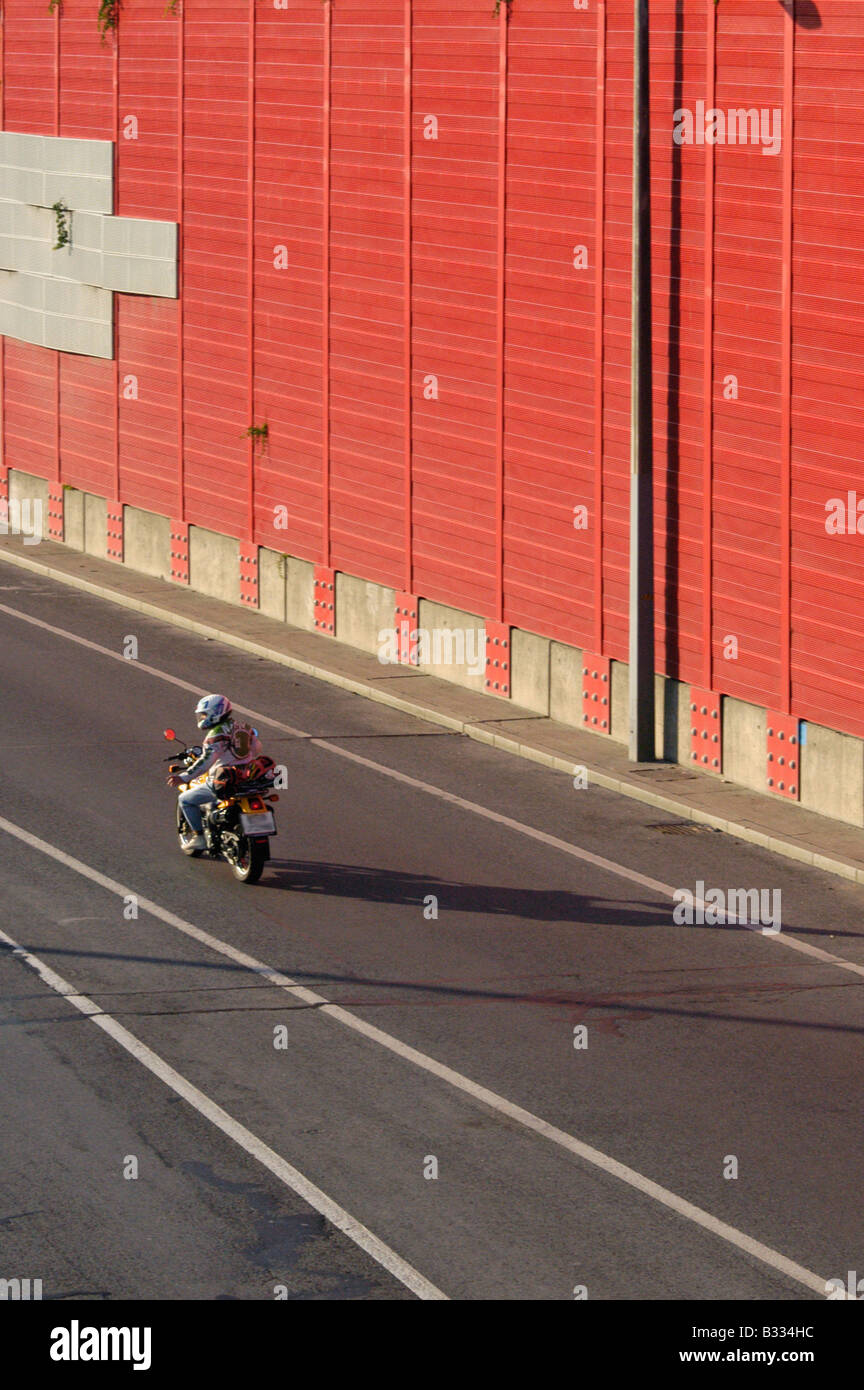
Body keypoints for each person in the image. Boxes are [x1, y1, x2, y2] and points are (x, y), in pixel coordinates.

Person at [167, 694, 263, 850]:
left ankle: (199, 837)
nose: (202, 718)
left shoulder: (216, 734)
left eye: (204, 714)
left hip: (225, 779)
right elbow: (257, 749)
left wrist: (184, 777)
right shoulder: (245, 727)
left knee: (185, 799)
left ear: (215, 713)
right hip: (247, 777)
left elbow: (206, 762)